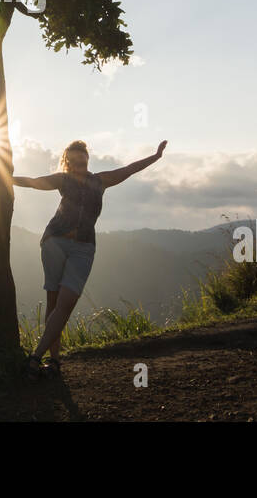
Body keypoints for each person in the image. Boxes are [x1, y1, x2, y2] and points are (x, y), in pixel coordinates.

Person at [12, 138, 167, 381]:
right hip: (54, 242)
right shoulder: (63, 180)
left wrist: (155, 157)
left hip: (83, 248)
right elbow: (34, 183)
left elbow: (128, 170)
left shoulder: (100, 181)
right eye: (73, 161)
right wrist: (5, 178)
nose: (78, 164)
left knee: (65, 304)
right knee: (53, 302)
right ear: (68, 163)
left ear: (87, 159)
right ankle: (54, 362)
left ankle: (35, 357)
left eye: (81, 160)